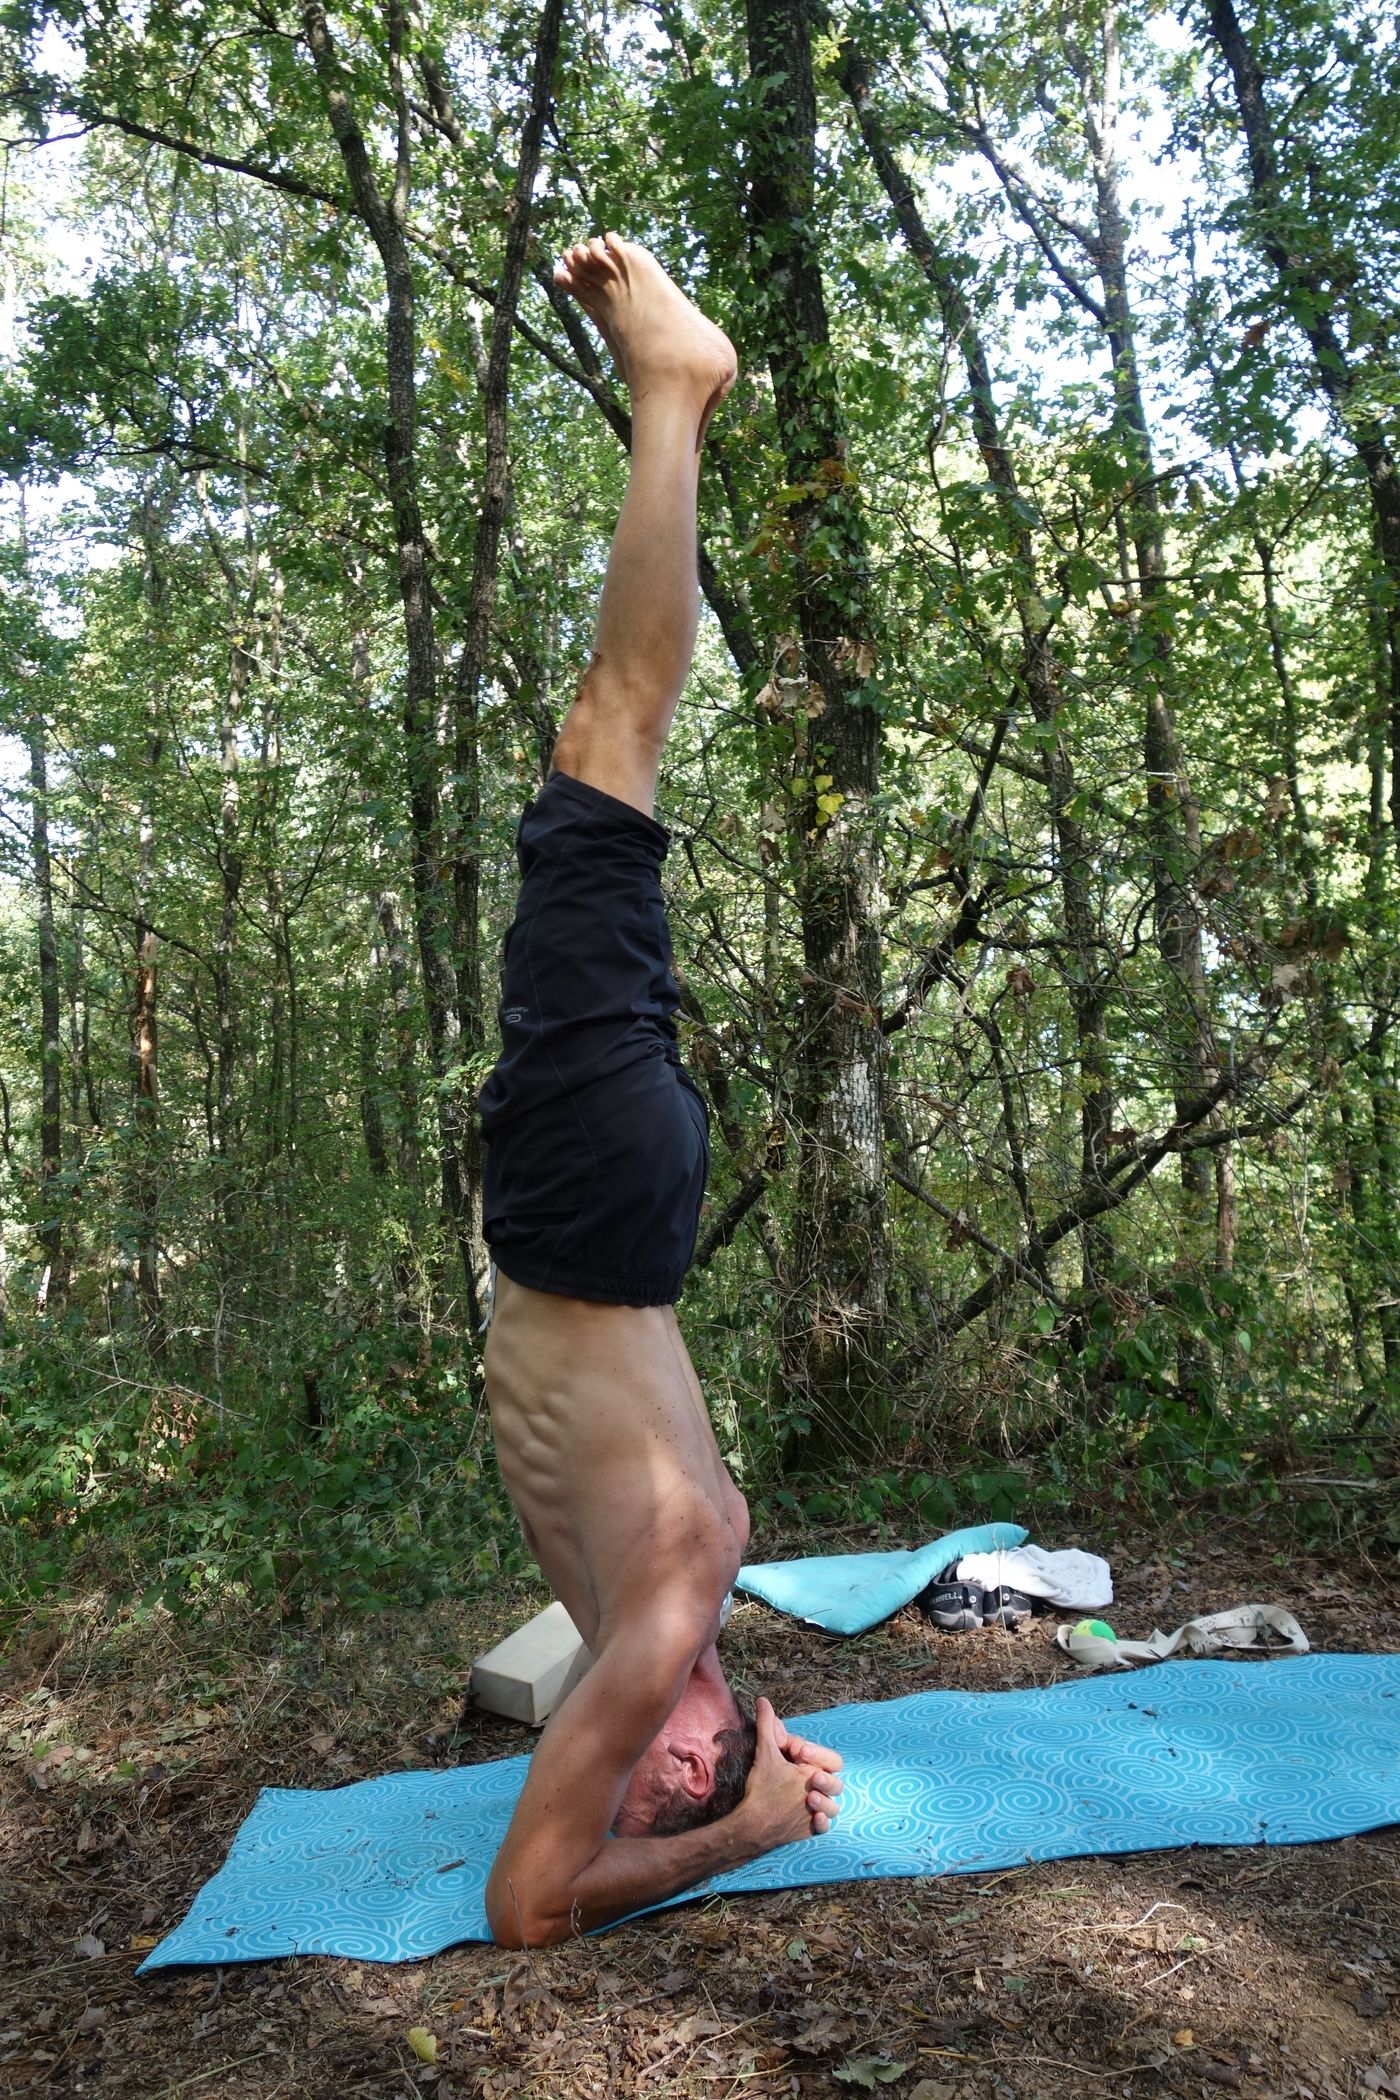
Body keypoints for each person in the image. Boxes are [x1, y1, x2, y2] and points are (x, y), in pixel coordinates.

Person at [478, 234, 843, 1949]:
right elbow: (533, 1907)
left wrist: (747, 1781)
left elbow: (568, 1849)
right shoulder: (671, 1604)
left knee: (598, 748)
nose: (603, 1758)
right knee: (611, 739)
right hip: (589, 1210)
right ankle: (670, 393)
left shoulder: (674, 1595)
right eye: (643, 1768)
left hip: (614, 1217)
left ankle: (673, 398)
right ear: (685, 1735)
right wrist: (746, 1829)